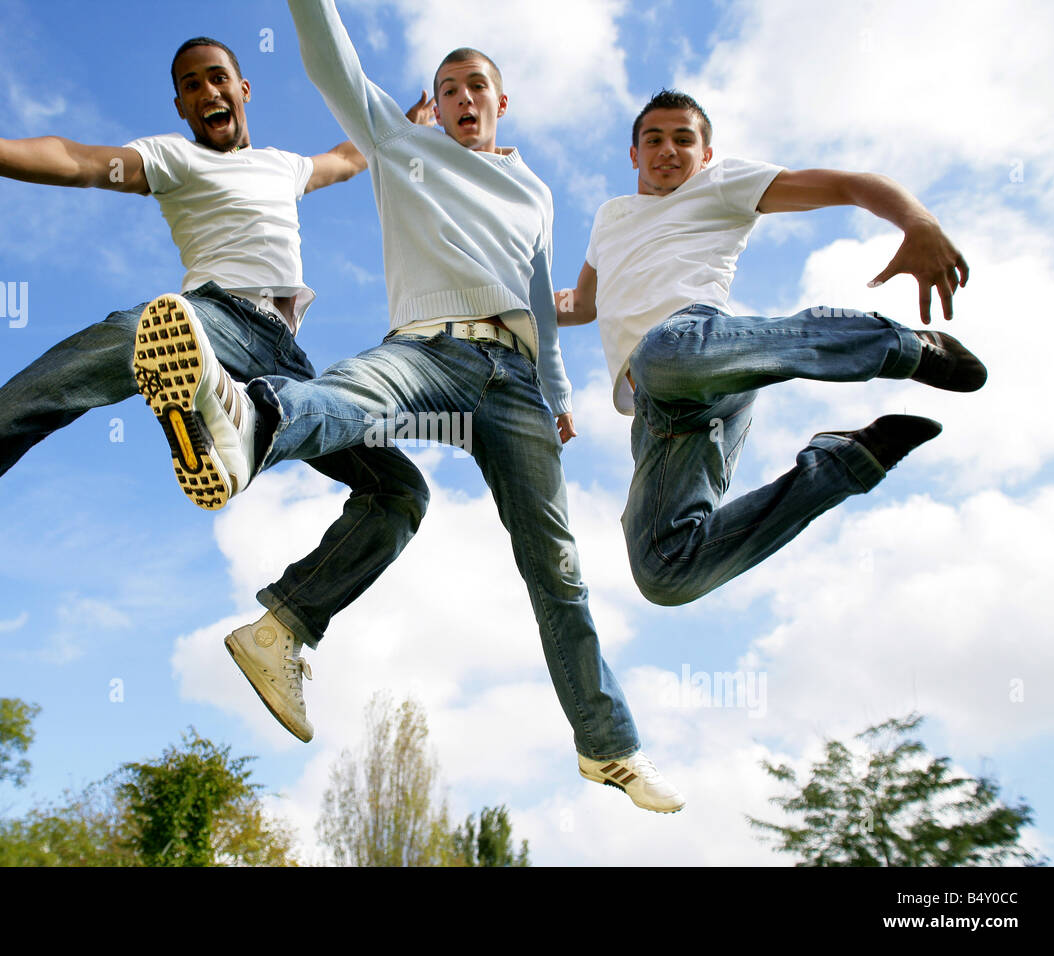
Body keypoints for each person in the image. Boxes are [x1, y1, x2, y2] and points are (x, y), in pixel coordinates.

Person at [140, 0, 685, 814]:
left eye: (477, 86)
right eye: (449, 88)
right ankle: (241, 424)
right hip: (428, 351)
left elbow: (538, 296)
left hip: (515, 387)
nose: (464, 99)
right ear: (435, 104)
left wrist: (560, 395)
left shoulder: (532, 188)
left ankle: (607, 747)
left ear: (502, 101)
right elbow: (334, 64)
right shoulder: (403, 143)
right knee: (356, 397)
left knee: (557, 570)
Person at [0, 36, 436, 744]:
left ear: (244, 89)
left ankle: (284, 629)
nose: (208, 94)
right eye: (191, 86)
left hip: (285, 362)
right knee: (139, 330)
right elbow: (77, 160)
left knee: (400, 490)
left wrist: (404, 128)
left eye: (218, 80)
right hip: (213, 317)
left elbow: (352, 158)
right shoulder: (176, 158)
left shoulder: (284, 166)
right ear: (180, 106)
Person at [558, 89, 985, 607]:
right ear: (633, 154)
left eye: (683, 139)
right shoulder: (610, 217)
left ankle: (899, 346)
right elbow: (581, 303)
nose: (668, 150)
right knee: (663, 571)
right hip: (658, 410)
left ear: (706, 154)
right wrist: (499, 305)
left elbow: (849, 184)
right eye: (654, 140)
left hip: (701, 353)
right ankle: (843, 464)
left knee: (664, 355)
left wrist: (919, 223)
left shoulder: (721, 184)